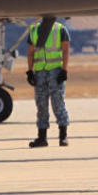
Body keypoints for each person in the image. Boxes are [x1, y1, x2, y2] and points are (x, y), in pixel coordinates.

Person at [25, 16, 70, 147]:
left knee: (58, 103)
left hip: (55, 72)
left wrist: (64, 70)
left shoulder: (60, 29)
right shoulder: (33, 30)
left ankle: (63, 136)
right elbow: (30, 52)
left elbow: (66, 50)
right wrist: (30, 71)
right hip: (40, 73)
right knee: (41, 105)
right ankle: (42, 137)